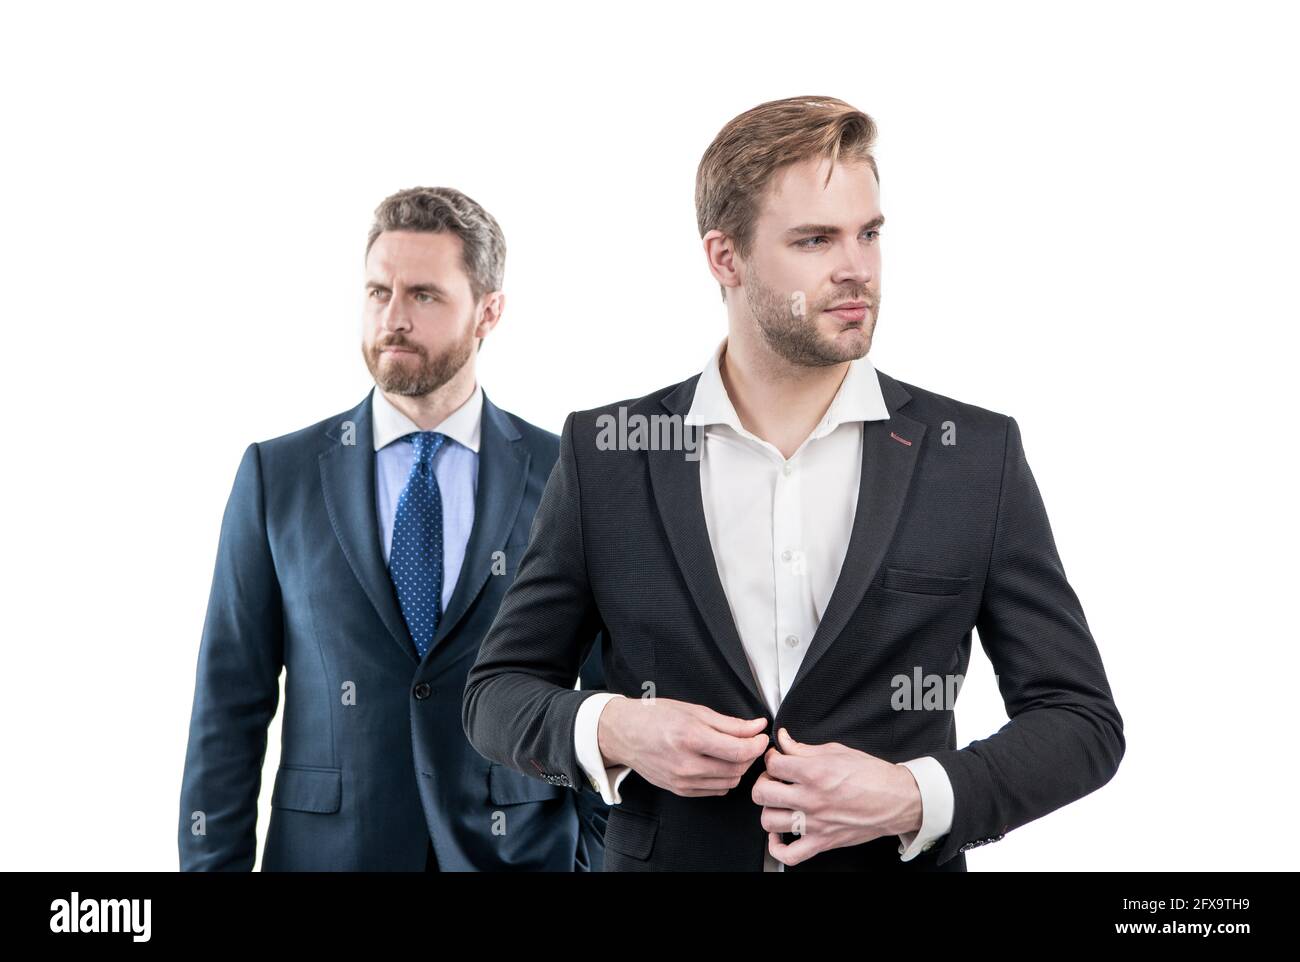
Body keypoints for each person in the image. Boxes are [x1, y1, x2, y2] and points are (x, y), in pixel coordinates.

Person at [463, 96, 1123, 871]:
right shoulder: (608, 455)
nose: (857, 268)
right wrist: (615, 728)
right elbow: (497, 693)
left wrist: (917, 794)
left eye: (869, 233)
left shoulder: (975, 456)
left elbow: (1079, 719)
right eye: (815, 240)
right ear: (725, 258)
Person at [180, 186, 607, 871]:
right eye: (379, 292)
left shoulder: (566, 473)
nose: (394, 318)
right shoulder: (277, 475)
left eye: (425, 296)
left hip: (514, 854)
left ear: (488, 313)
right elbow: (228, 705)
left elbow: (602, 692)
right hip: (330, 854)